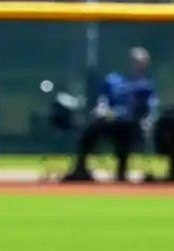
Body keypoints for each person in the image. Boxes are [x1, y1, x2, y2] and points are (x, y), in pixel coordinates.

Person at [63, 47, 157, 183]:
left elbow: (150, 106)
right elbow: (103, 99)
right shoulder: (114, 80)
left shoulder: (146, 85)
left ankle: (121, 174)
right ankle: (80, 168)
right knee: (91, 130)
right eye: (134, 61)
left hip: (130, 123)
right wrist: (102, 108)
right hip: (109, 121)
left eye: (141, 62)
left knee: (127, 134)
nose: (137, 65)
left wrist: (147, 120)